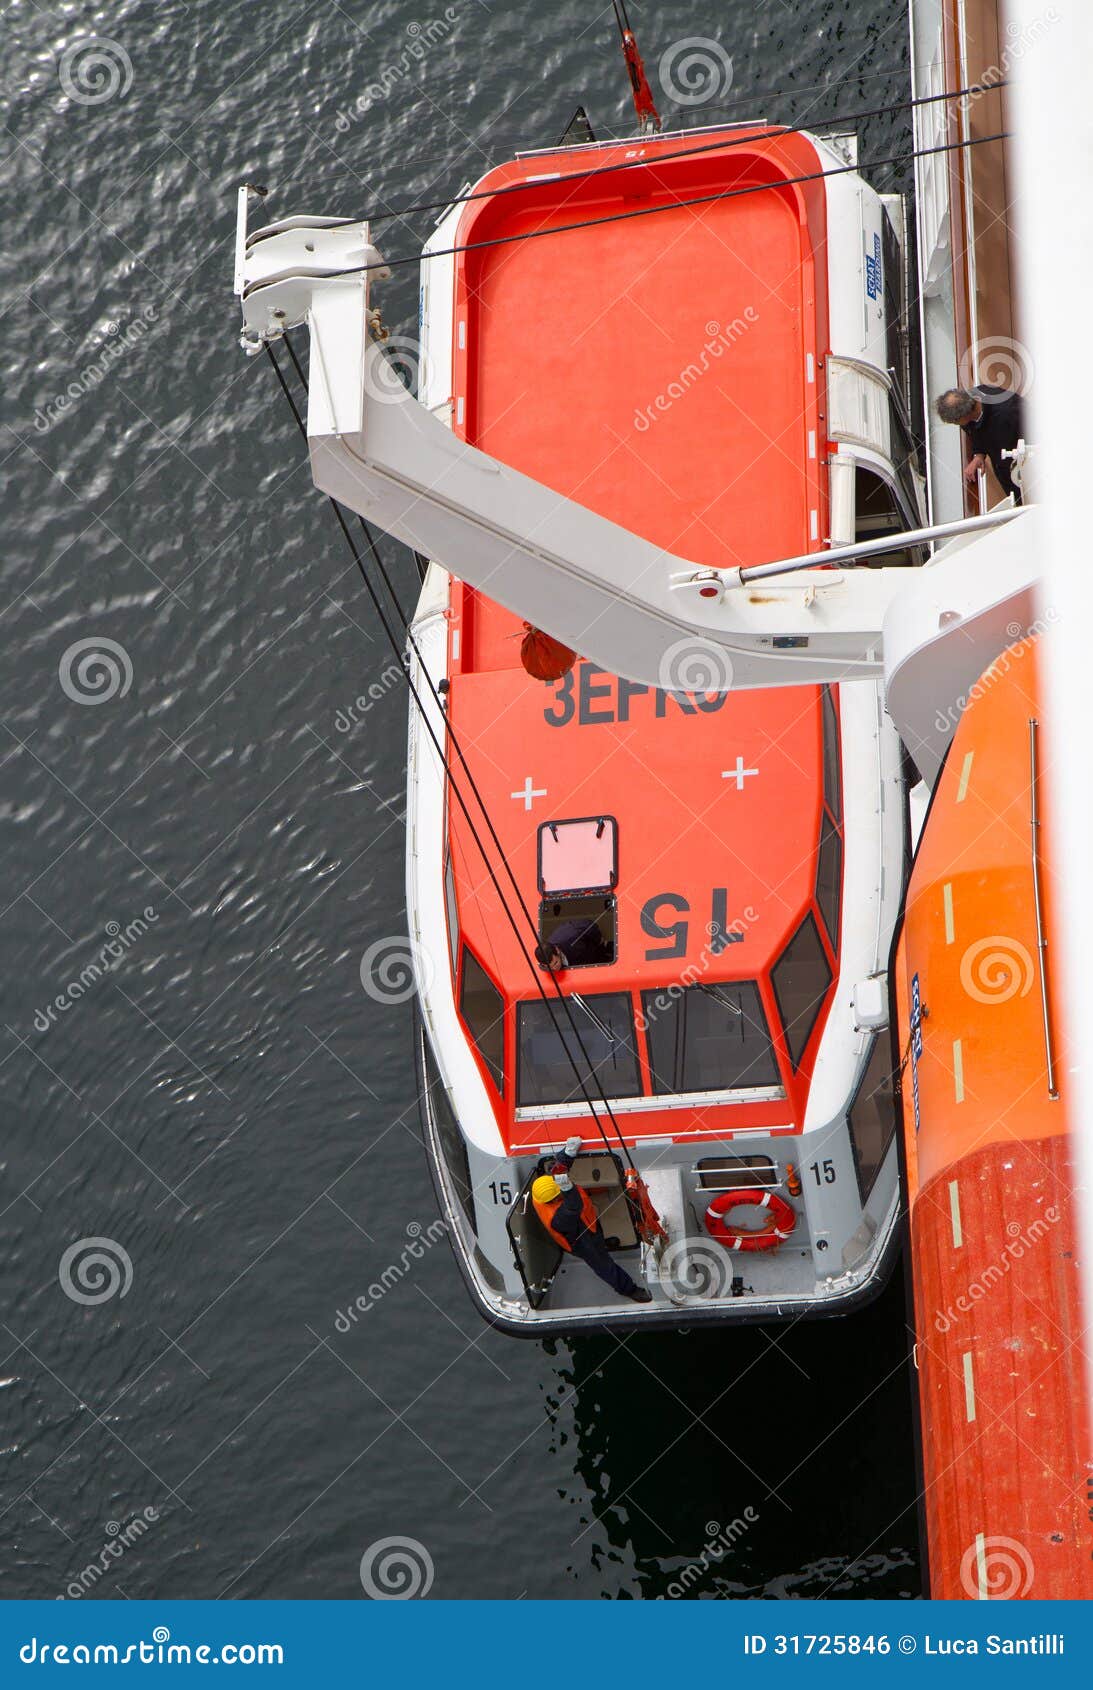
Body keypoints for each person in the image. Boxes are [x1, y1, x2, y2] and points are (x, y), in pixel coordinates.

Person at [531, 1136, 652, 1303]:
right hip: (581, 1241)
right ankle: (628, 1289)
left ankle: (602, 1242)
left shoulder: (543, 1189)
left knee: (599, 1235)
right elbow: (574, 1206)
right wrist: (567, 1187)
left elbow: (557, 1168)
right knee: (603, 1265)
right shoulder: (558, 1219)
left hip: (589, 1221)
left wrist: (567, 1153)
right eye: (559, 1190)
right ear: (553, 1199)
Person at [935, 385, 1026, 503]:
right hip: (1005, 467)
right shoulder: (968, 405)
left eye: (955, 422)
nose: (957, 425)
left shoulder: (1007, 413)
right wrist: (979, 454)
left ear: (964, 416)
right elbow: (975, 433)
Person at [534, 917, 611, 972]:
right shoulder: (545, 965)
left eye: (555, 963)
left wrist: (598, 940)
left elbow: (589, 925)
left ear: (557, 950)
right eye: (550, 968)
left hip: (589, 952)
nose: (555, 969)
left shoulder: (571, 934)